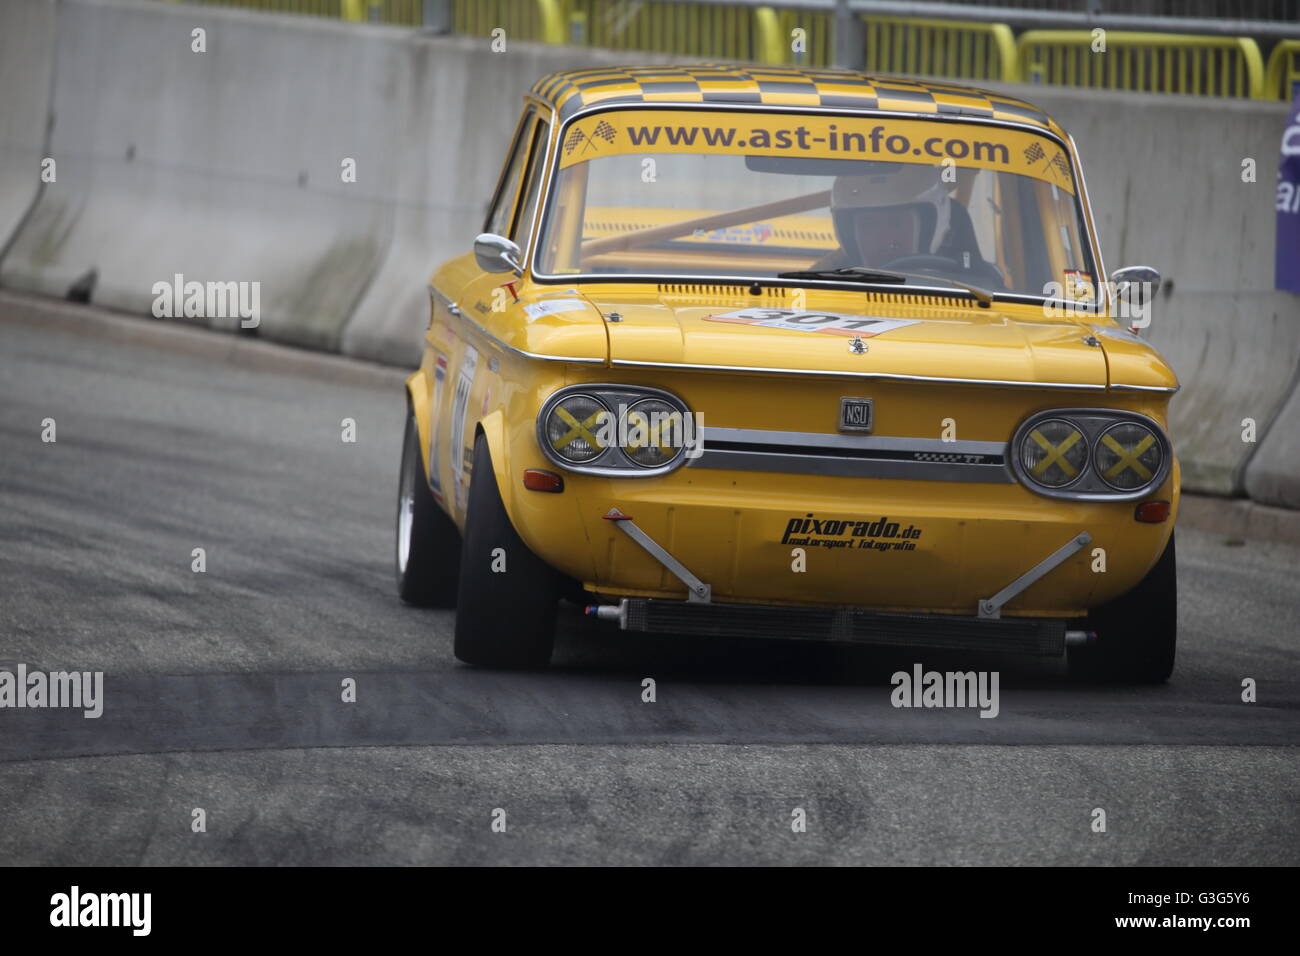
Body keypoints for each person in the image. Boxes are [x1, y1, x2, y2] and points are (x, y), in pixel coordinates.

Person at [812, 163, 987, 275]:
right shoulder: (819, 287)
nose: (882, 237)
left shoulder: (972, 293)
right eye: (868, 224)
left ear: (928, 229)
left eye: (896, 223)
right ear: (849, 235)